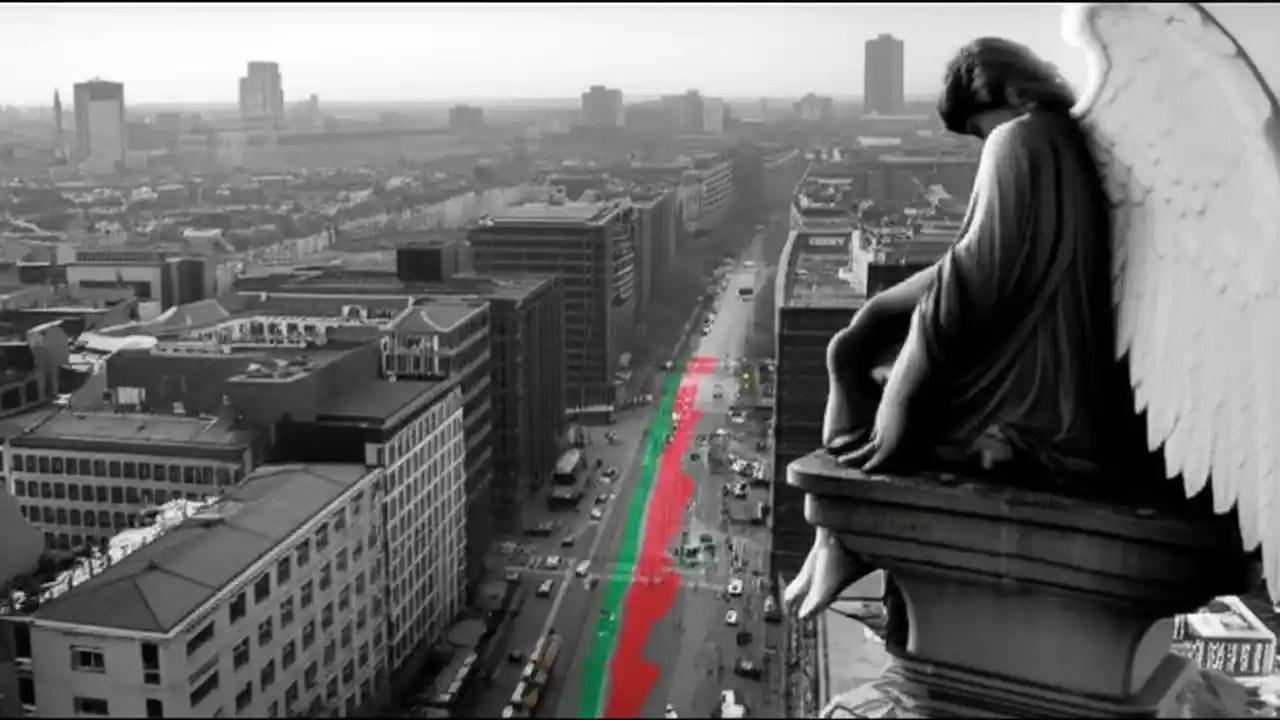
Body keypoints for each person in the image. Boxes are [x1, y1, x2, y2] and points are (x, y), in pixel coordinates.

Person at [785, 37, 1153, 621]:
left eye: (980, 129)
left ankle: (840, 539)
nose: (984, 142)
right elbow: (977, 259)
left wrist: (903, 388)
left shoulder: (1021, 139)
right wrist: (886, 309)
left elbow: (974, 280)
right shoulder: (1071, 140)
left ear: (1007, 94)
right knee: (862, 341)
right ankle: (838, 543)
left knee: (853, 359)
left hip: (1030, 393)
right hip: (1053, 373)